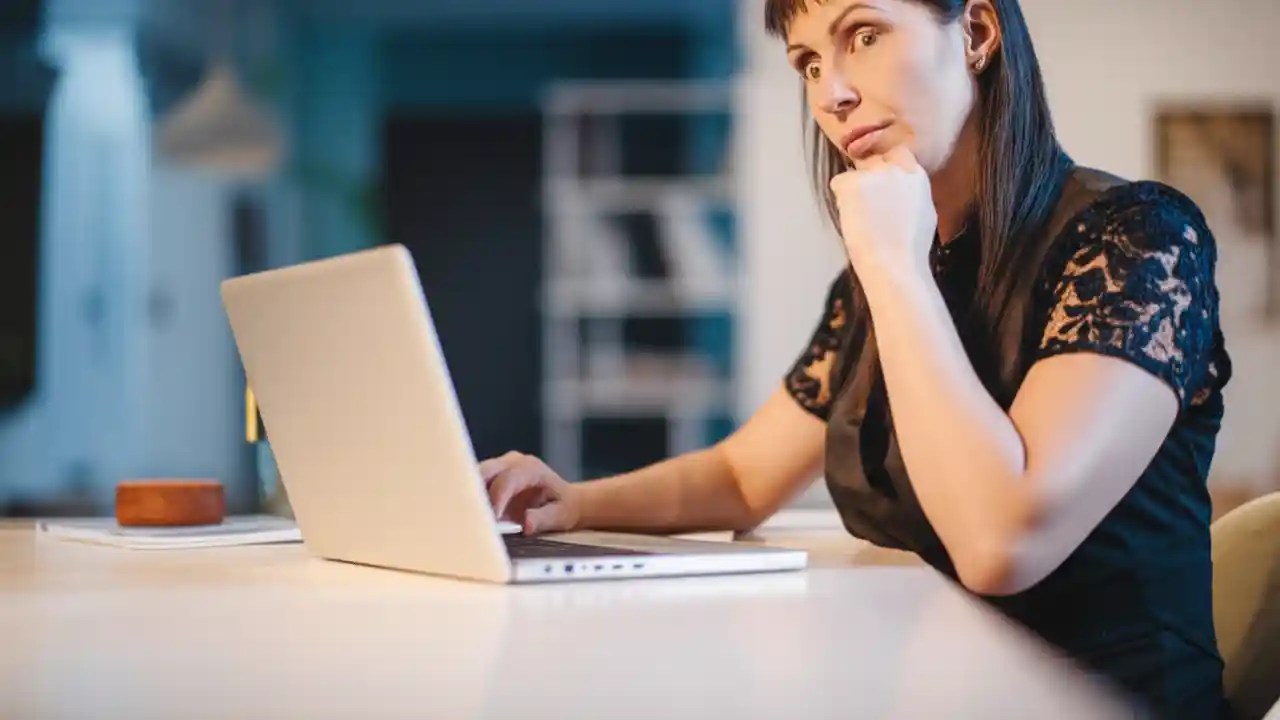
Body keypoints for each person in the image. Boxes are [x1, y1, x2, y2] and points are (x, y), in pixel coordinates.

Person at [481, 1, 1232, 716]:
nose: (830, 92)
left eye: (863, 36)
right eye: (806, 62)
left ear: (976, 32)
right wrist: (573, 502)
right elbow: (744, 477)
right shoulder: (890, 273)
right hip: (921, 688)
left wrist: (896, 268)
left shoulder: (1139, 239)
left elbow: (1001, 544)